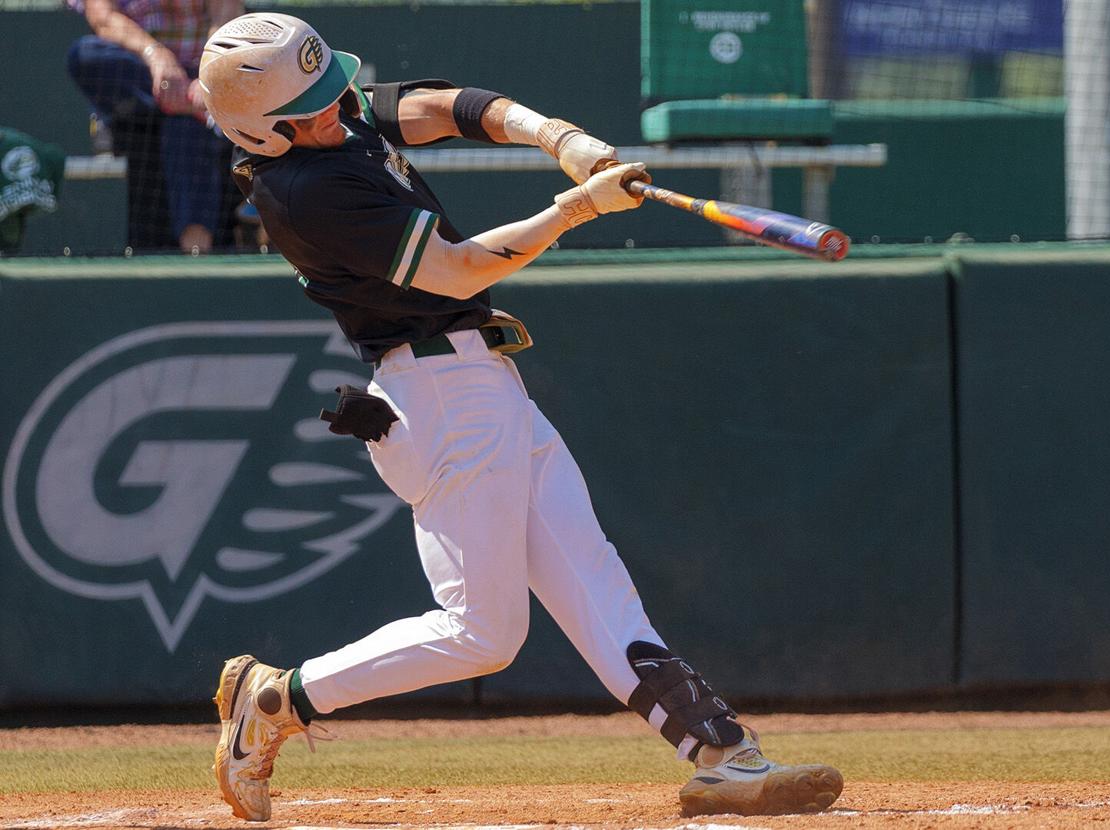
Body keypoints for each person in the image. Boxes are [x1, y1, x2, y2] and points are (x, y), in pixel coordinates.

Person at [196, 12, 843, 823]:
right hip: (439, 396)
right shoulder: (305, 193)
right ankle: (277, 699)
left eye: (330, 90)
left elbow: (445, 106)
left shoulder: (332, 121)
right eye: (313, 106)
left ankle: (721, 756)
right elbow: (458, 270)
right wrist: (577, 208)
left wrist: (556, 136)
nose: (338, 106)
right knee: (482, 634)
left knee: (598, 585)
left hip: (483, 384)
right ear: (264, 128)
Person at [66, 0, 241, 252]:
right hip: (141, 78)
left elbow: (226, 13)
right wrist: (155, 54)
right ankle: (190, 106)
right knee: (84, 55)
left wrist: (209, 73)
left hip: (203, 74)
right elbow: (103, 18)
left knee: (184, 124)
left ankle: (197, 250)